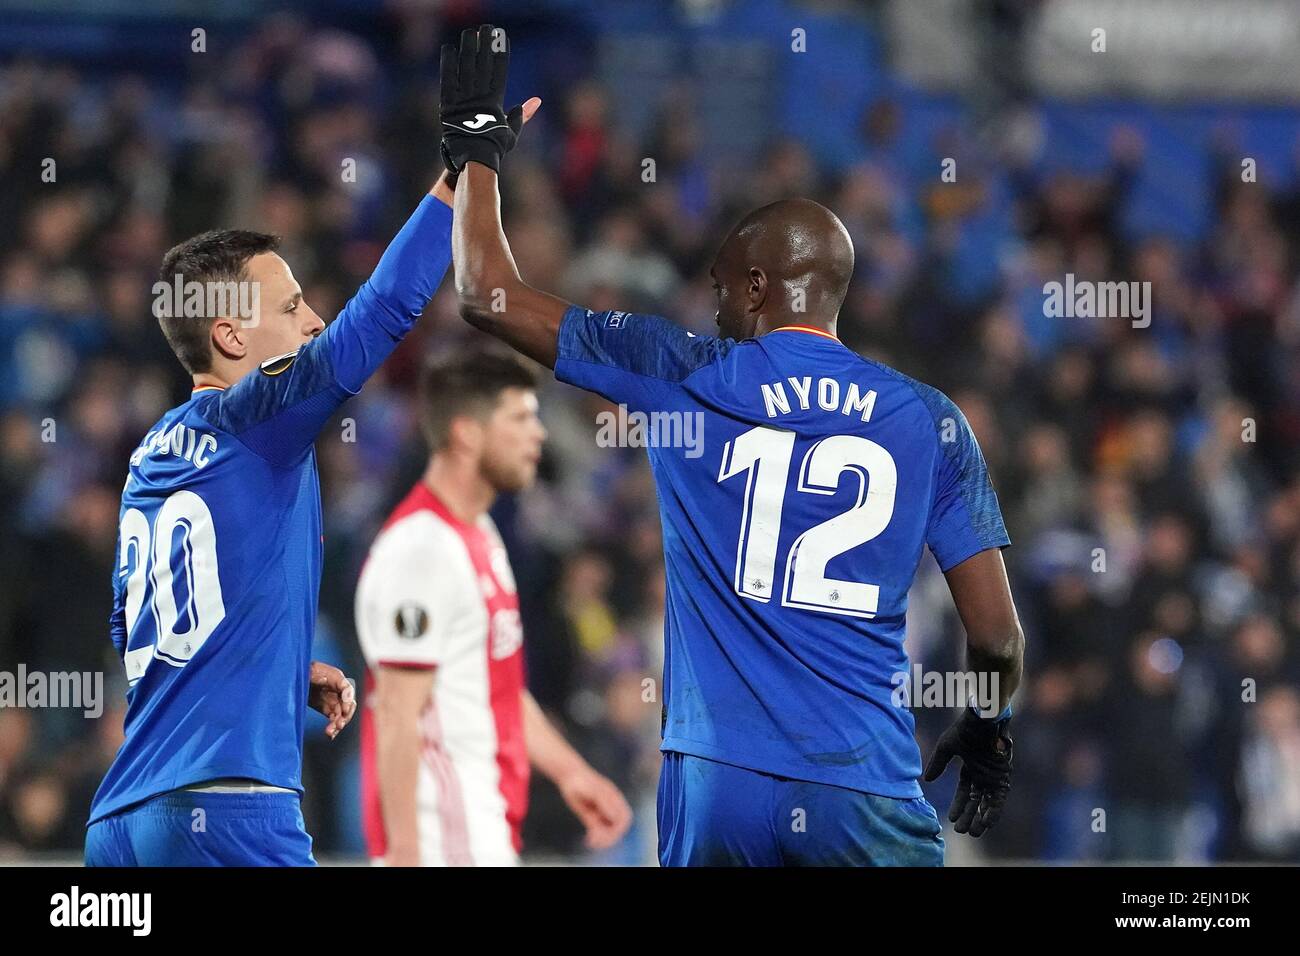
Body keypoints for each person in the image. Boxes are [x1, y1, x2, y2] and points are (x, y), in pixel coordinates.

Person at [441, 25, 1025, 866]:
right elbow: (998, 637)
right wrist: (988, 729)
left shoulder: (688, 373)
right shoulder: (930, 419)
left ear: (759, 286)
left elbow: (487, 293)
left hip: (720, 786)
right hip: (865, 786)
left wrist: (475, 149)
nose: (710, 308)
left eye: (720, 287)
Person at [84, 72, 539, 865]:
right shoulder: (257, 417)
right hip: (230, 813)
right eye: (291, 305)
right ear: (230, 337)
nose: (314, 317)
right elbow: (383, 313)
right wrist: (461, 172)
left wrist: (281, 670)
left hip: (122, 824)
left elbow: (144, 633)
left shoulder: (150, 452)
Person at [355, 349, 632, 866]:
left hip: (484, 826)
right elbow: (396, 713)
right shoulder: (421, 551)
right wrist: (406, 854)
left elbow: (495, 687)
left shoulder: (482, 536)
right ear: (467, 433)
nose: (539, 434)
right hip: (441, 840)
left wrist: (572, 772)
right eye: (521, 418)